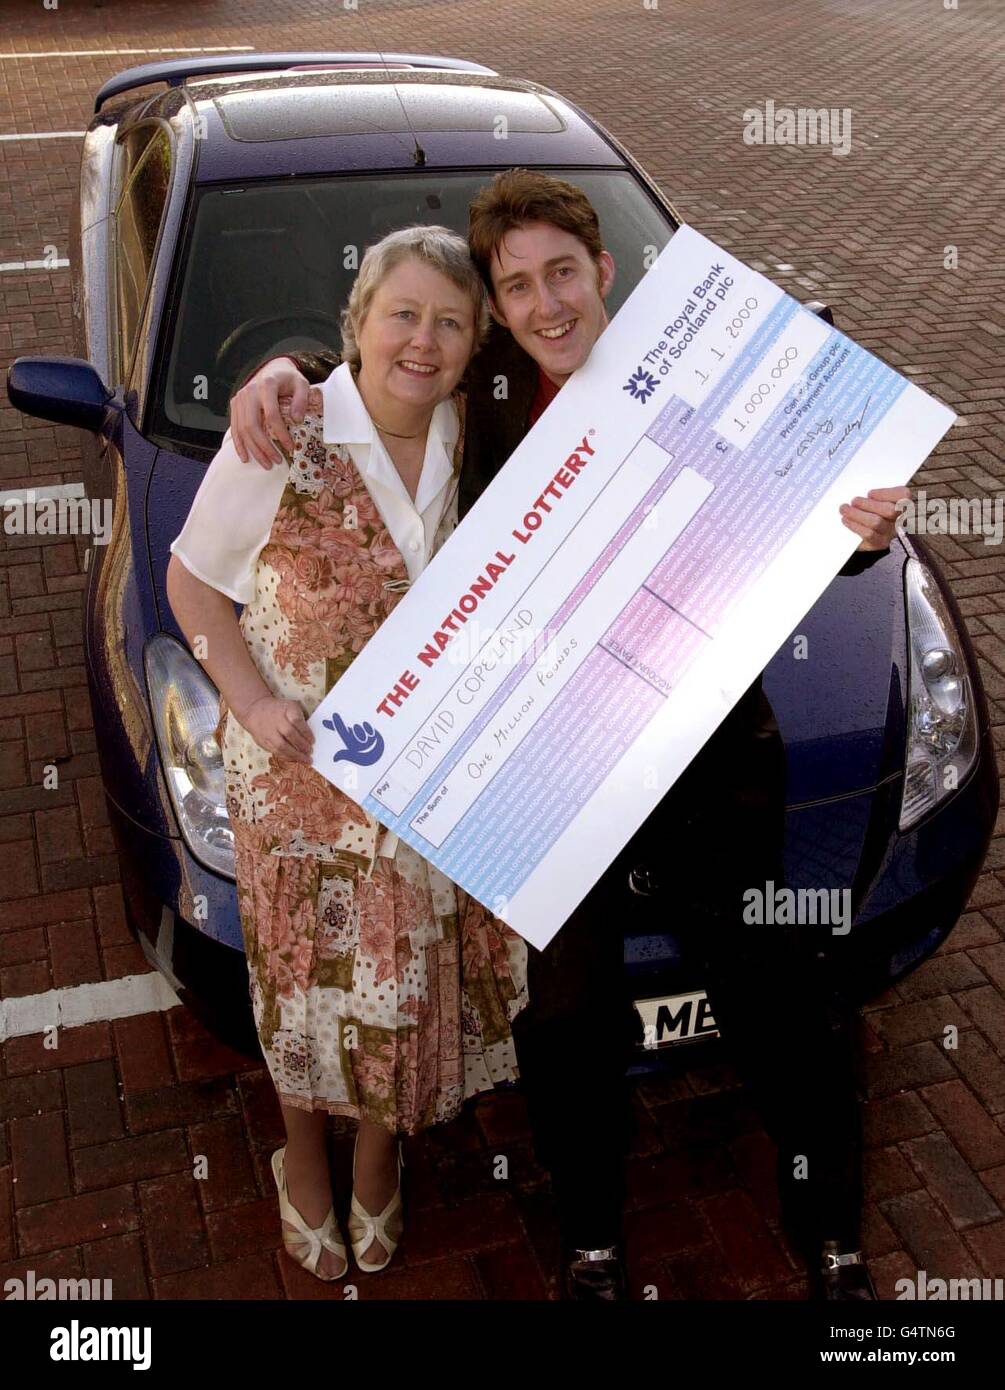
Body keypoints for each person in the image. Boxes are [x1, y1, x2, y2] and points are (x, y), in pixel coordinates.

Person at [227, 170, 909, 1300]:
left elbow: (799, 499)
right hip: (552, 772)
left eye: (562, 275)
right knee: (569, 1019)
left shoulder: (686, 371)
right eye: (516, 286)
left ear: (605, 272)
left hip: (705, 757)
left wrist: (864, 531)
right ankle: (590, 1236)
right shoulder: (480, 389)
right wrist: (283, 367)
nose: (546, 305)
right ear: (495, 305)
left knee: (785, 998)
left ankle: (832, 1237)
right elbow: (378, 368)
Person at [167, 225, 528, 1283]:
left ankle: (378, 1157)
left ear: (474, 345)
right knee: (308, 982)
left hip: (423, 782)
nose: (424, 339)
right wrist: (249, 698)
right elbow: (195, 589)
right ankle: (308, 1163)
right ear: (356, 326)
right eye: (402, 314)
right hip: (299, 775)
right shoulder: (289, 431)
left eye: (450, 322)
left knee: (402, 980)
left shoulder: (478, 434)